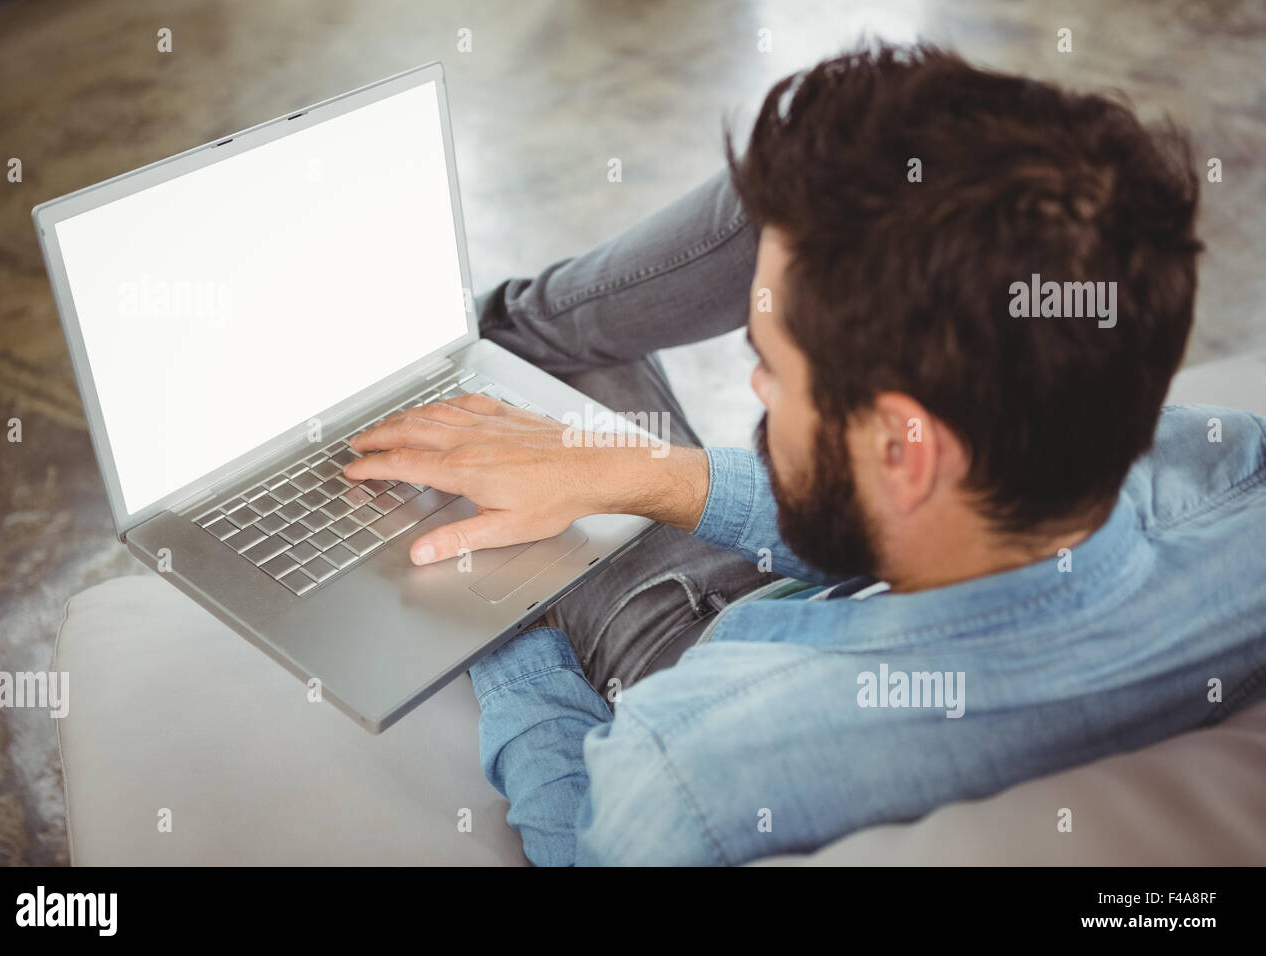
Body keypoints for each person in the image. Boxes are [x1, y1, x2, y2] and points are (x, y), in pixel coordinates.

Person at [342, 43, 1266, 865]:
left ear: (904, 450)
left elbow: (574, 835)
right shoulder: (1231, 489)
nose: (754, 390)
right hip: (844, 576)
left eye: (772, 369)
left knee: (510, 345)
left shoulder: (689, 768)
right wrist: (648, 476)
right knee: (814, 216)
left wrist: (510, 633)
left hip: (688, 640)